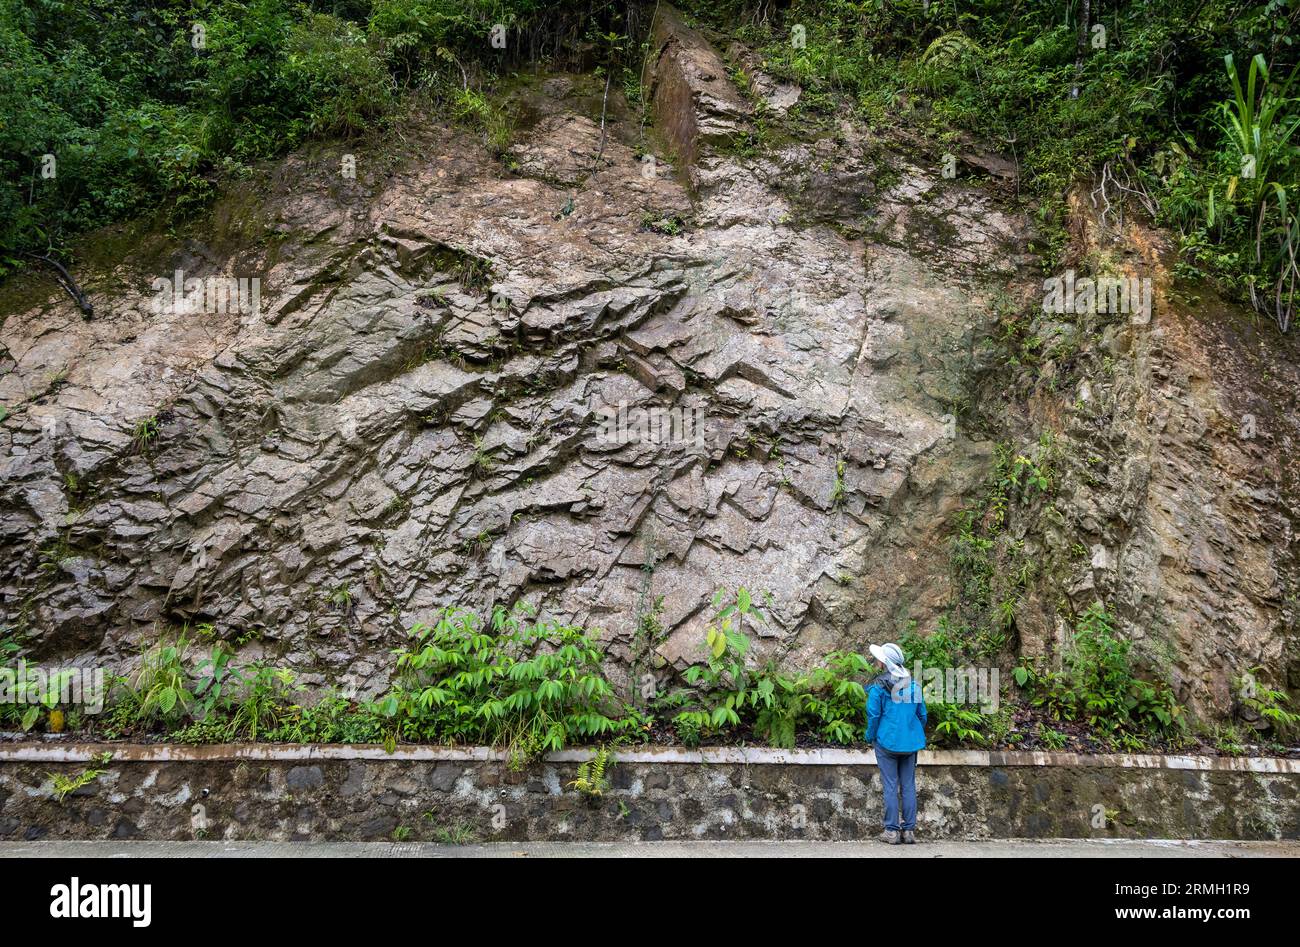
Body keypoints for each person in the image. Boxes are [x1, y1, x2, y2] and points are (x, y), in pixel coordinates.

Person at [865, 642, 927, 845]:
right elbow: (922, 716)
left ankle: (891, 832)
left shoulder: (877, 688)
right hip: (910, 744)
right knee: (908, 785)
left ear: (884, 664)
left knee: (890, 785)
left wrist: (870, 737)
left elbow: (873, 716)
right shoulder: (915, 686)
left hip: (886, 743)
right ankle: (908, 831)